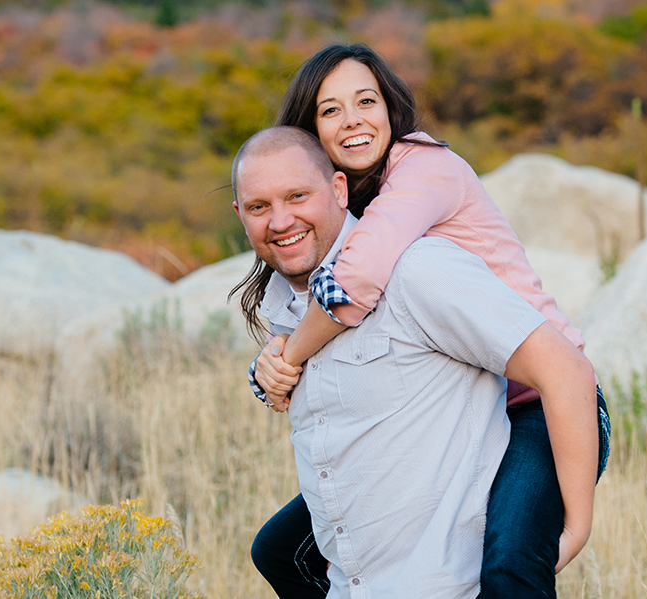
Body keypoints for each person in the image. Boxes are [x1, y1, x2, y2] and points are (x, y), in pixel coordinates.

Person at [239, 44, 611, 597]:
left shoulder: (423, 170)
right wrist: (273, 357)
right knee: (281, 551)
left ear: (390, 107)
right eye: (330, 110)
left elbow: (354, 282)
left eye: (366, 101)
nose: (352, 120)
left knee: (511, 563)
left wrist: (286, 360)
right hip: (473, 400)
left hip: (541, 398)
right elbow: (301, 294)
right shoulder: (342, 200)